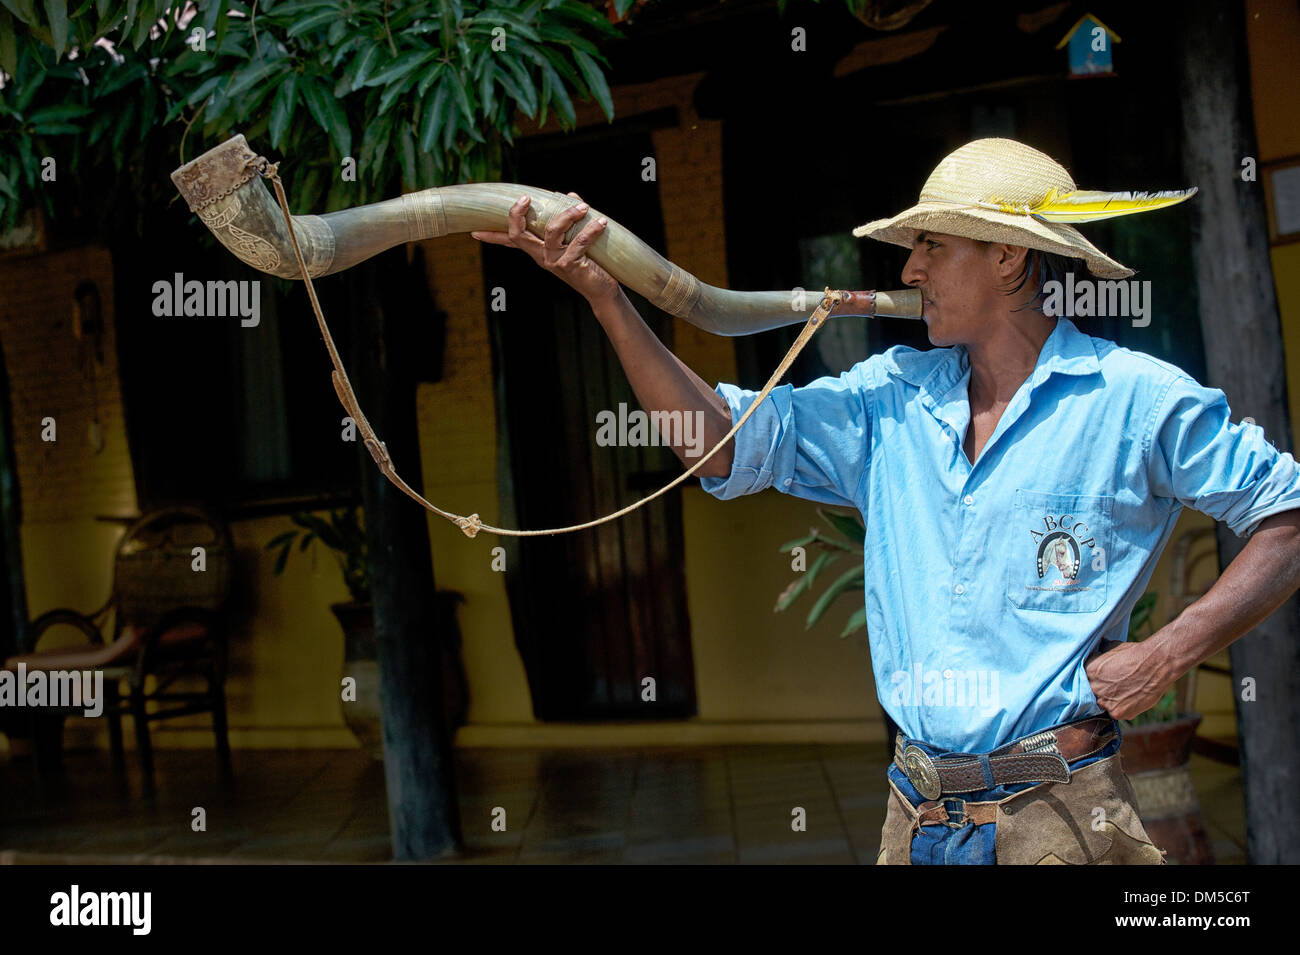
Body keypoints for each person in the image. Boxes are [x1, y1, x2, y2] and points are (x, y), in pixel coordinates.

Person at [470, 138, 1300, 865]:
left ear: (1010, 258)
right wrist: (607, 298)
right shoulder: (890, 399)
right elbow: (716, 442)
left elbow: (1288, 521)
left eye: (932, 245)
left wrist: (1168, 652)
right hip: (918, 818)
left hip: (1062, 817)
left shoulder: (1133, 399)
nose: (909, 270)